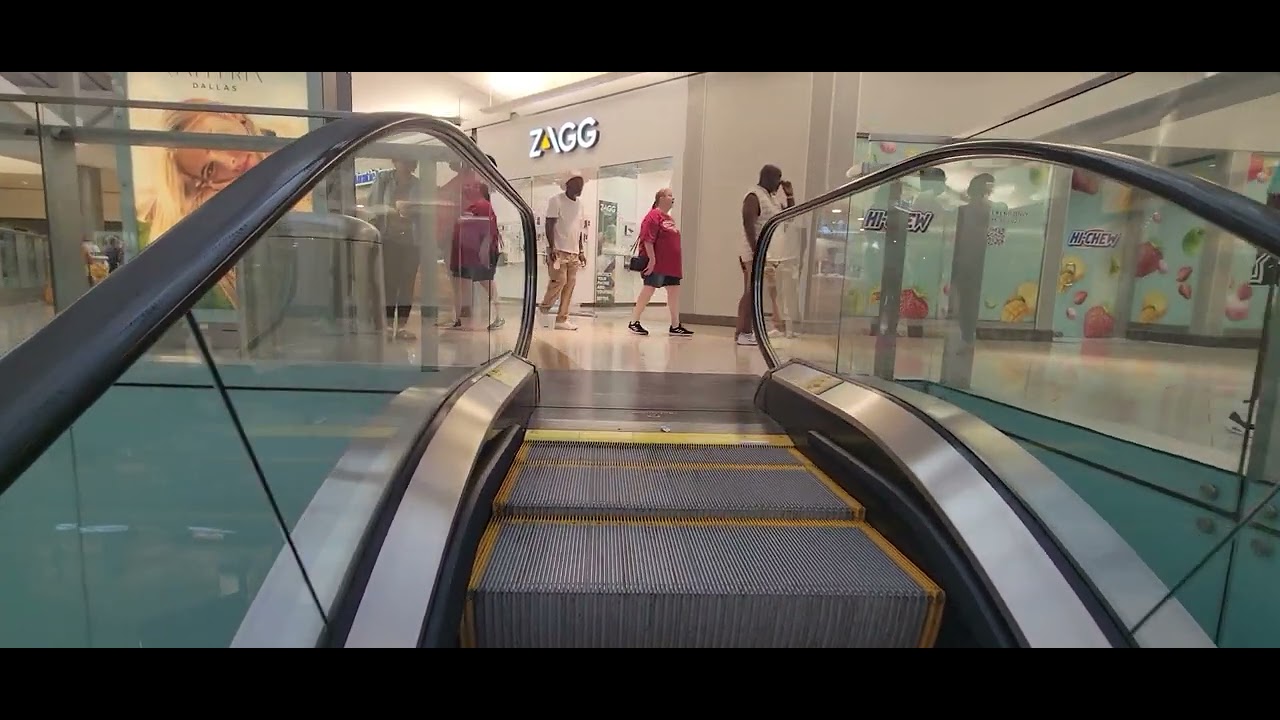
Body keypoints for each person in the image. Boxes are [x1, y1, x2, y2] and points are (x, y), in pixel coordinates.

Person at [366, 158, 424, 341]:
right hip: (388, 238)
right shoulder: (383, 179)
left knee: (407, 283)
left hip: (411, 240)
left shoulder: (418, 184)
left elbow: (424, 209)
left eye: (409, 162)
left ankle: (402, 327)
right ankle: (388, 325)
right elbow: (374, 206)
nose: (406, 166)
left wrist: (412, 210)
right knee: (389, 283)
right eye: (402, 161)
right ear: (395, 162)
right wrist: (391, 210)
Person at [737, 164, 795, 346]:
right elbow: (748, 224)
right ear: (768, 178)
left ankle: (742, 330)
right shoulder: (754, 196)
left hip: (769, 253)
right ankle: (745, 333)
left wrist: (790, 195)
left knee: (752, 291)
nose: (779, 183)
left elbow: (789, 216)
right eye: (778, 179)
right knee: (750, 292)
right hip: (755, 252)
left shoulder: (772, 198)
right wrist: (757, 250)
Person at [628, 188, 693, 337]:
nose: (673, 198)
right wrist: (652, 259)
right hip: (658, 263)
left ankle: (675, 325)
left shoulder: (669, 218)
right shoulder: (653, 216)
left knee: (674, 293)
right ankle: (634, 321)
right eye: (670, 195)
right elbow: (648, 239)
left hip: (672, 264)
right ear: (661, 198)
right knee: (648, 290)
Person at [448, 181, 504, 331]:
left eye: (472, 186)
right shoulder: (470, 207)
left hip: (477, 254)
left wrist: (483, 252)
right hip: (465, 254)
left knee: (486, 283)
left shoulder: (483, 205)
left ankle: (499, 315)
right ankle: (457, 317)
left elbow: (488, 230)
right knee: (460, 283)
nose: (466, 187)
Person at [539, 173, 585, 331]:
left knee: (570, 285)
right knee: (559, 281)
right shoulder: (556, 200)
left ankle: (562, 318)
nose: (580, 189)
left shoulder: (580, 204)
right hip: (558, 250)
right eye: (576, 185)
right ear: (568, 185)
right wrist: (551, 247)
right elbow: (549, 224)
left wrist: (581, 250)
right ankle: (544, 309)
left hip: (573, 251)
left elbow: (577, 228)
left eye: (581, 186)